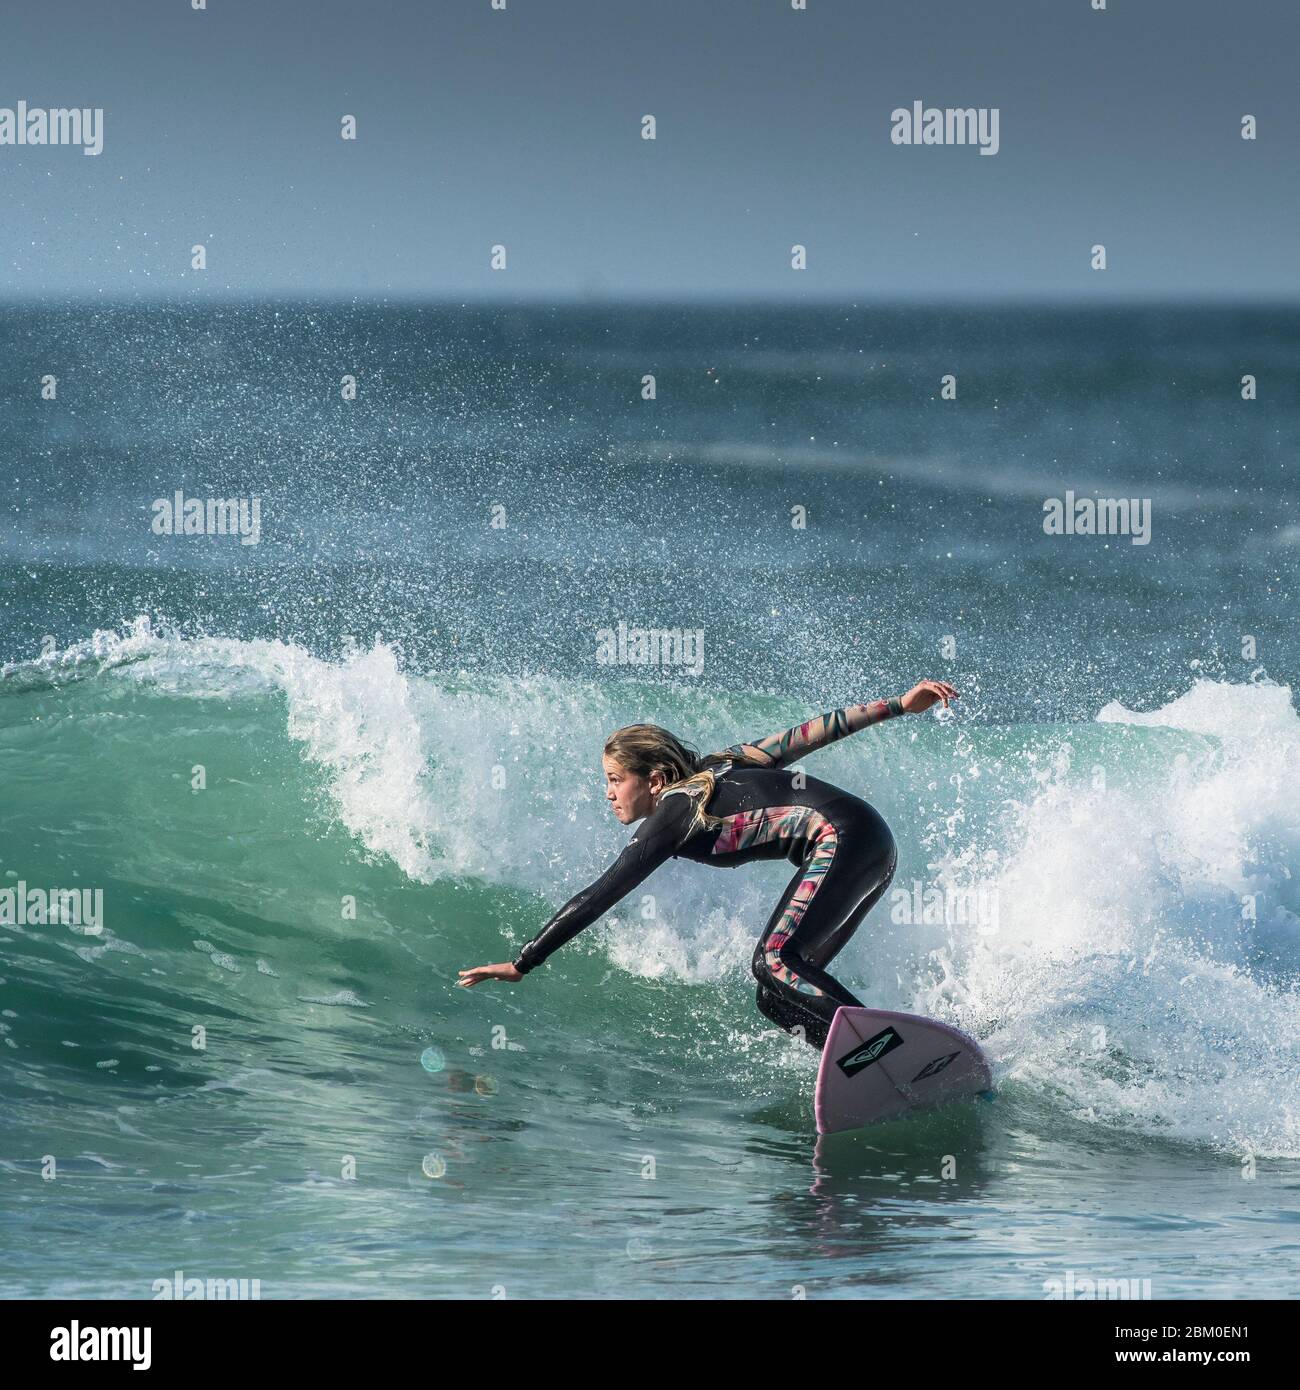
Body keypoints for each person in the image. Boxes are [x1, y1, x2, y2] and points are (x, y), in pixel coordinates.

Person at [458, 681, 959, 1050]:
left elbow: (600, 893)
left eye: (615, 779)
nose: (608, 794)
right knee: (777, 997)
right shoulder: (722, 765)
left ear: (653, 779)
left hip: (845, 840)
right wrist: (898, 705)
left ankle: (887, 1051)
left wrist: (524, 961)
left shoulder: (677, 809)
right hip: (870, 843)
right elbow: (808, 735)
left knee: (774, 962)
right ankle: (870, 1064)